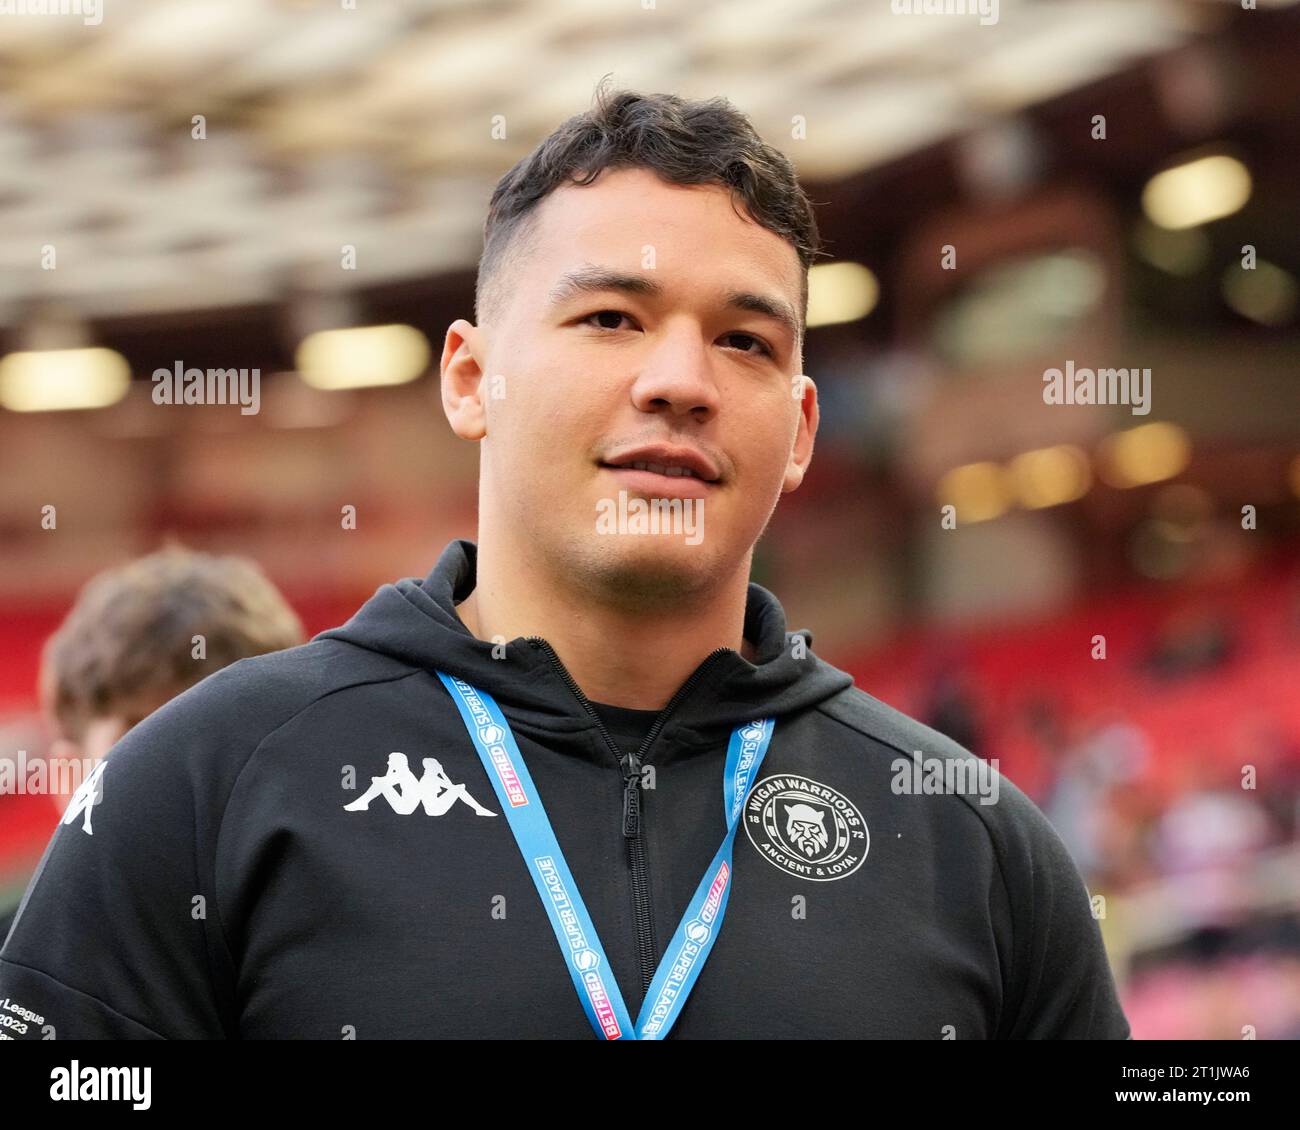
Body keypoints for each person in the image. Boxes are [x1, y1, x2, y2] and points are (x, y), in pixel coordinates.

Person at [0, 82, 1131, 1039]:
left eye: (744, 340)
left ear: (797, 431)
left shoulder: (975, 847)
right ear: (468, 377)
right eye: (609, 318)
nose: (679, 379)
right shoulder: (199, 787)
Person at [0, 547, 305, 947]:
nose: (187, 787)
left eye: (225, 749)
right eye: (140, 745)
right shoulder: (17, 959)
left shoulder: (340, 940)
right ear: (67, 779)